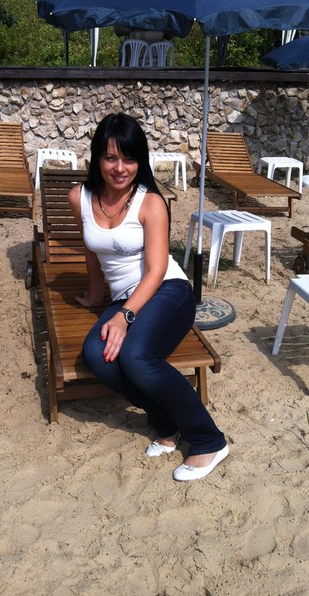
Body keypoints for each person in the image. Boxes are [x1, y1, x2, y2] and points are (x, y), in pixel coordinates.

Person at [68, 113, 228, 481]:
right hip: (125, 299)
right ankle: (165, 423)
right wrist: (95, 295)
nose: (120, 168)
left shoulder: (150, 203)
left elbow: (156, 270)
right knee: (97, 355)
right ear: (97, 157)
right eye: (111, 158)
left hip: (168, 291)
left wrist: (123, 317)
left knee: (136, 357)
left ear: (140, 161)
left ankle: (209, 440)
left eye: (129, 159)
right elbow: (91, 250)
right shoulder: (80, 197)